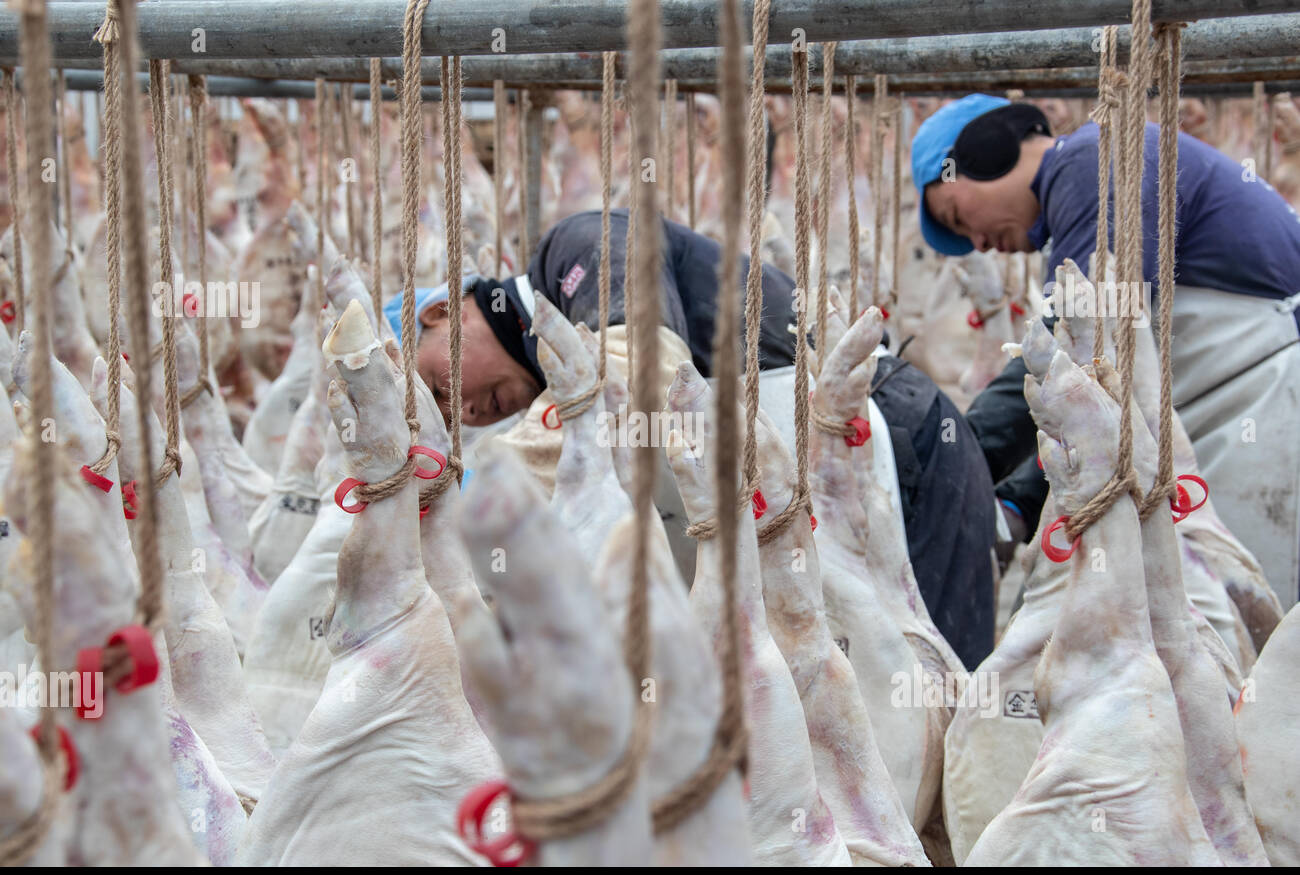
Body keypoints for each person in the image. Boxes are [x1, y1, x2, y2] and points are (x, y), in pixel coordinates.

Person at [384, 209, 996, 668]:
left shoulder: (573, 246)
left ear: (442, 314)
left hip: (894, 444)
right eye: (451, 416)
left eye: (437, 383)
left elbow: (639, 363)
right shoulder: (568, 399)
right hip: (819, 492)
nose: (464, 409)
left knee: (925, 707)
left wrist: (480, 503)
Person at [912, 94, 1300, 603]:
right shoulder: (1081, 181)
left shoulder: (1092, 163)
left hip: (1266, 404)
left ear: (986, 154)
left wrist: (963, 460)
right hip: (1225, 408)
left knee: (1251, 637)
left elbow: (1076, 358)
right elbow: (1088, 373)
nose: (978, 244)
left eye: (959, 218)